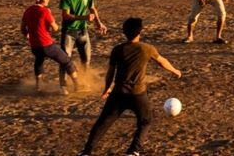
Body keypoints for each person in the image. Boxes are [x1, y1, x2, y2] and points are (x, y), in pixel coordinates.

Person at [76, 17, 182, 156]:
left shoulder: (118, 49)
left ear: (124, 32)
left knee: (103, 123)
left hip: (118, 93)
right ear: (140, 32)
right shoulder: (146, 49)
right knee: (146, 120)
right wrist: (175, 70)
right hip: (138, 94)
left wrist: (107, 88)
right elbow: (162, 61)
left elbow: (111, 72)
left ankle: (86, 152)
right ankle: (133, 151)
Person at [23, 0, 78, 92]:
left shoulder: (28, 10)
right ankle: (78, 85)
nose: (48, 0)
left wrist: (27, 35)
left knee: (39, 61)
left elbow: (22, 28)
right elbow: (55, 28)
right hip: (46, 45)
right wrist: (52, 21)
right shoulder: (45, 11)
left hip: (34, 46)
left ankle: (38, 86)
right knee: (67, 61)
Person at [59, 0, 107, 70]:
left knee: (86, 59)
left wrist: (99, 23)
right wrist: (84, 17)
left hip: (82, 30)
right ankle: (63, 80)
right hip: (69, 32)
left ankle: (84, 78)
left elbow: (92, 8)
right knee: (65, 60)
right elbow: (65, 15)